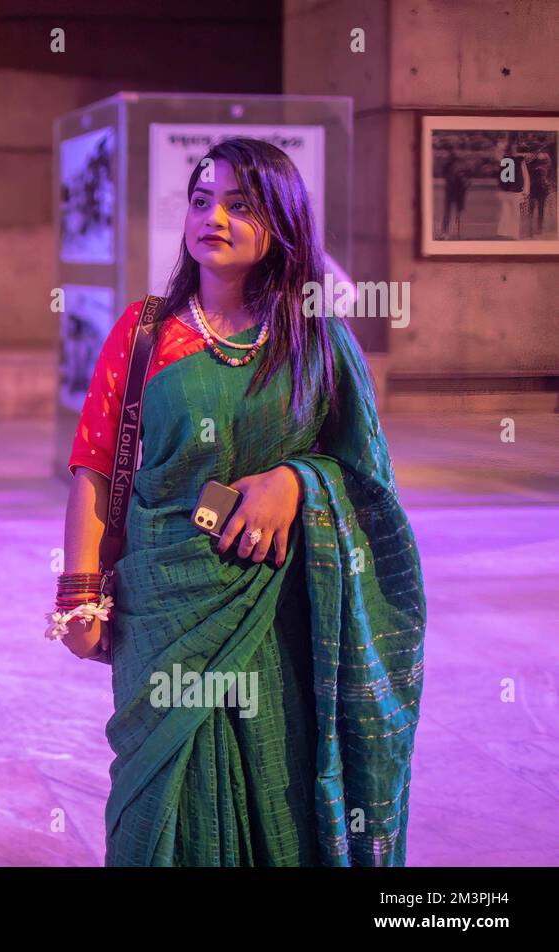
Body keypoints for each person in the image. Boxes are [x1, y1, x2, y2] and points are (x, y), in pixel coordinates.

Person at [55, 138, 426, 866]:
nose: (213, 217)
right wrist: (79, 596)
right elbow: (93, 471)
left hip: (278, 614)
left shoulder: (316, 341)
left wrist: (296, 483)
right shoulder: (142, 333)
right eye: (201, 201)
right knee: (151, 810)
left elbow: (369, 483)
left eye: (239, 204)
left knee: (275, 795)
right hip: (162, 608)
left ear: (281, 224)